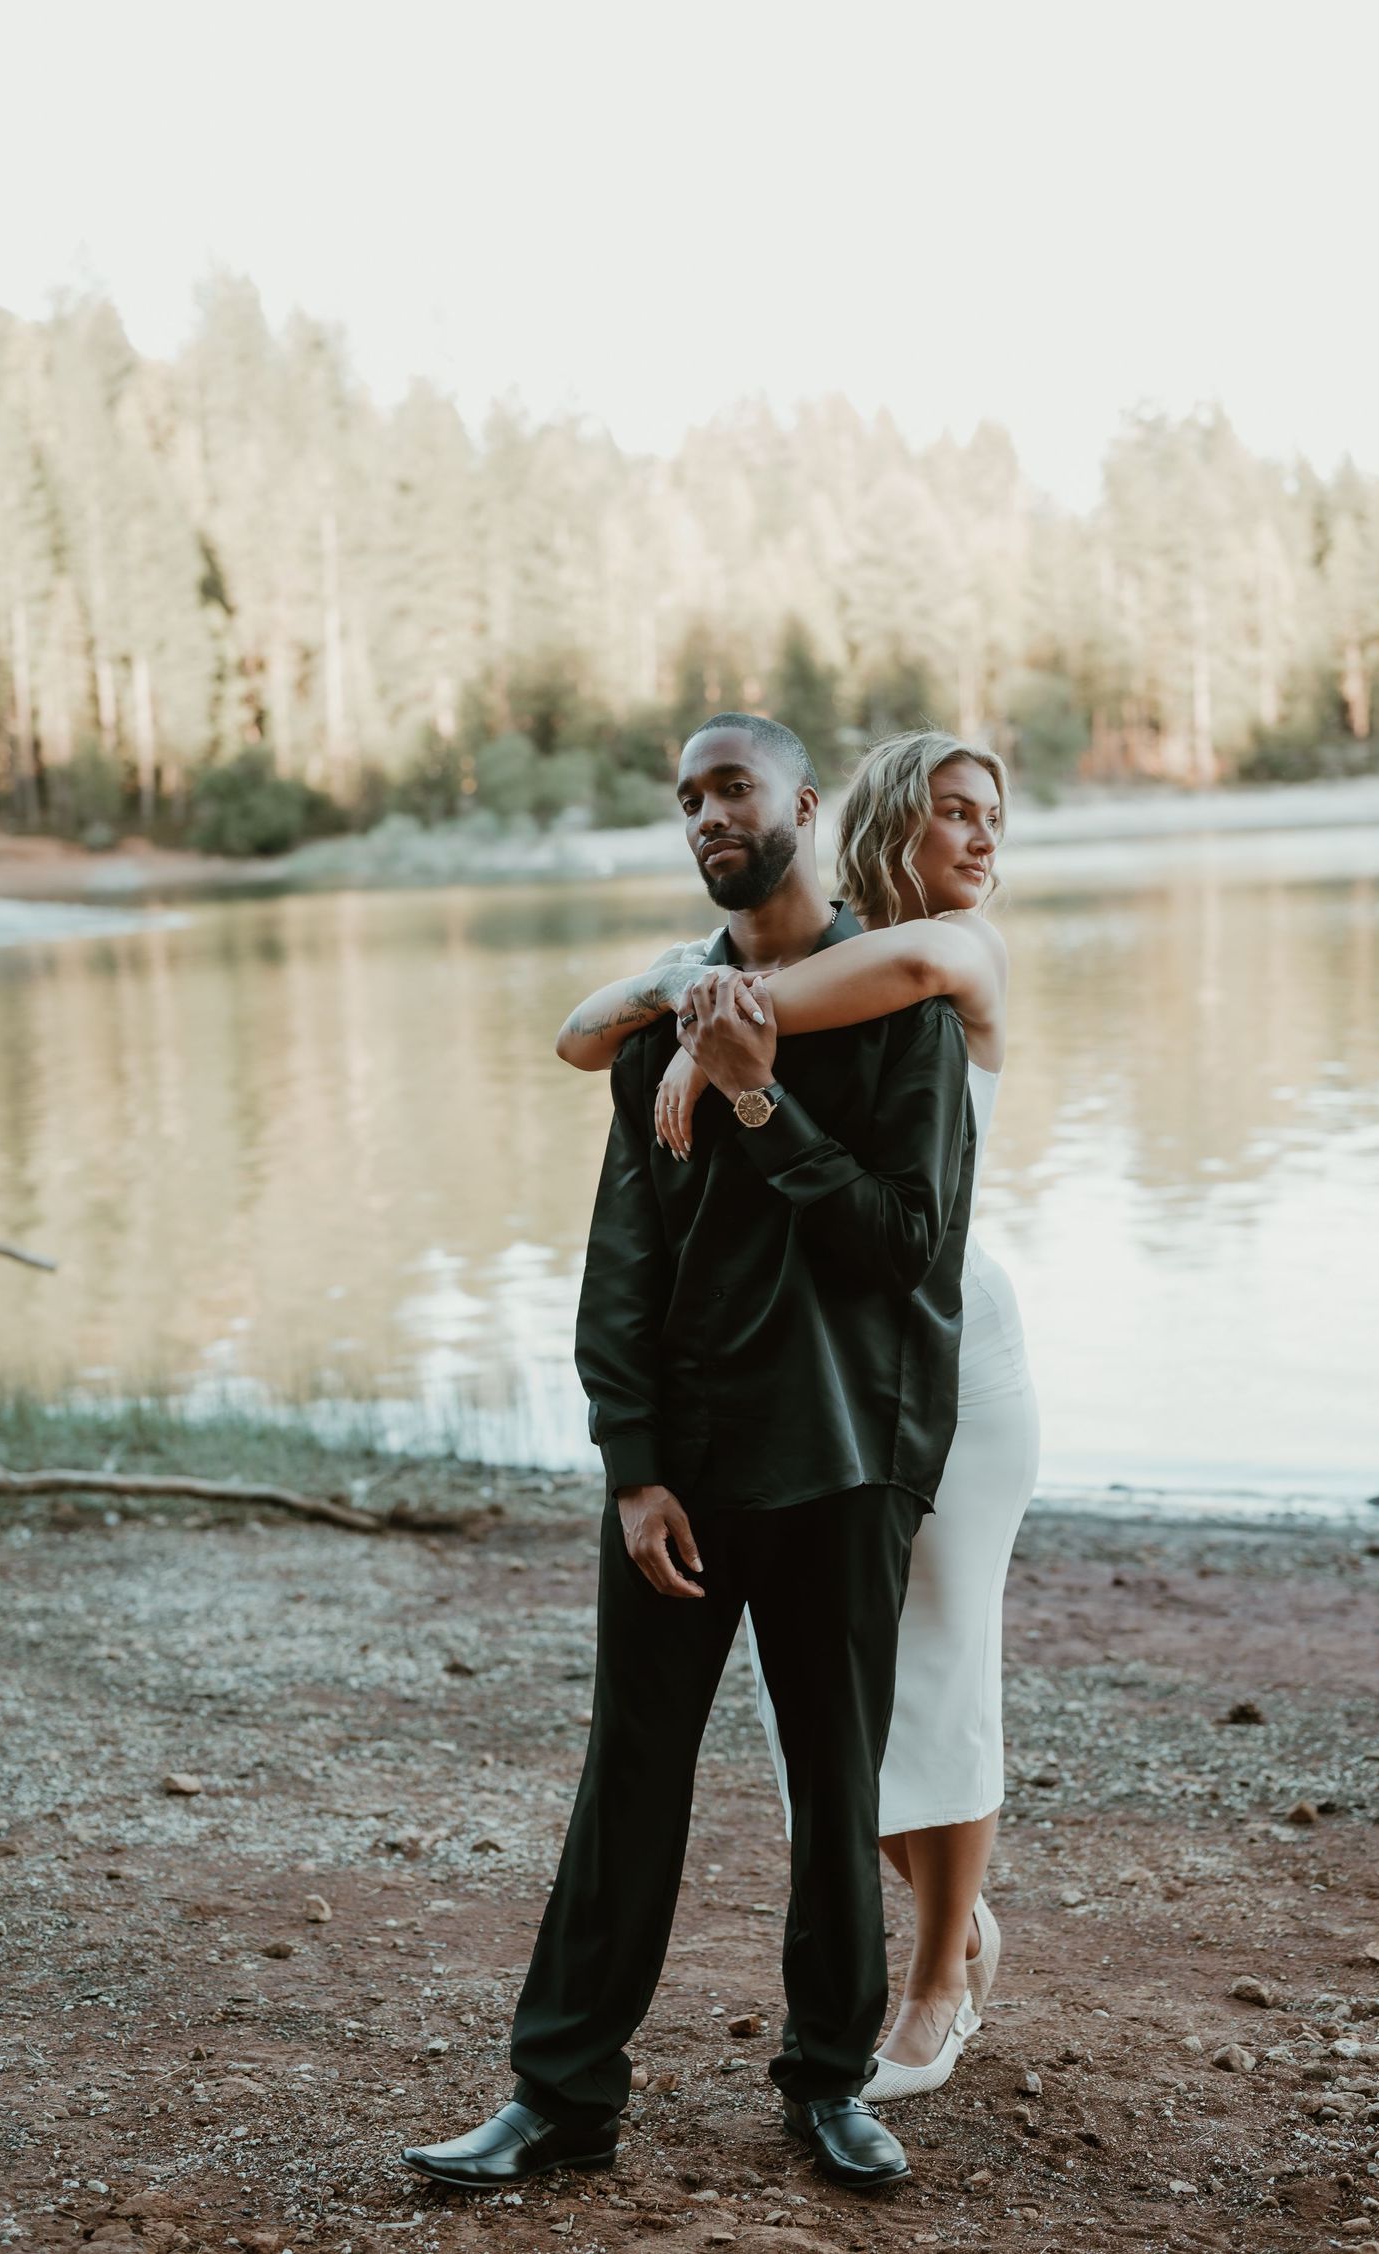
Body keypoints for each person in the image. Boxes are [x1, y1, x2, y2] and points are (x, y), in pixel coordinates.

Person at [402, 714, 976, 2195]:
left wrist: (755, 1096)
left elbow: (905, 1248)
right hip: (687, 1470)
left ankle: (830, 2084)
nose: (705, 813)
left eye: (731, 786)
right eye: (686, 797)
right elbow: (625, 1259)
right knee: (631, 1777)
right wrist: (629, 1457)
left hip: (847, 1459)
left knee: (837, 1785)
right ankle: (560, 2094)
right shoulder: (671, 1005)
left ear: (802, 800)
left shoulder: (904, 999)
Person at [554, 727, 1038, 2101]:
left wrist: (715, 1052)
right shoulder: (822, 965)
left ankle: (935, 1980)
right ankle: (941, 1928)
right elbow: (585, 1034)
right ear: (891, 824)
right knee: (831, 1720)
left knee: (932, 1682)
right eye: (953, 815)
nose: (982, 841)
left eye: (993, 816)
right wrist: (683, 990)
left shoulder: (944, 961)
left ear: (812, 812)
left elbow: (792, 1009)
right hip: (828, 1367)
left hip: (948, 1355)